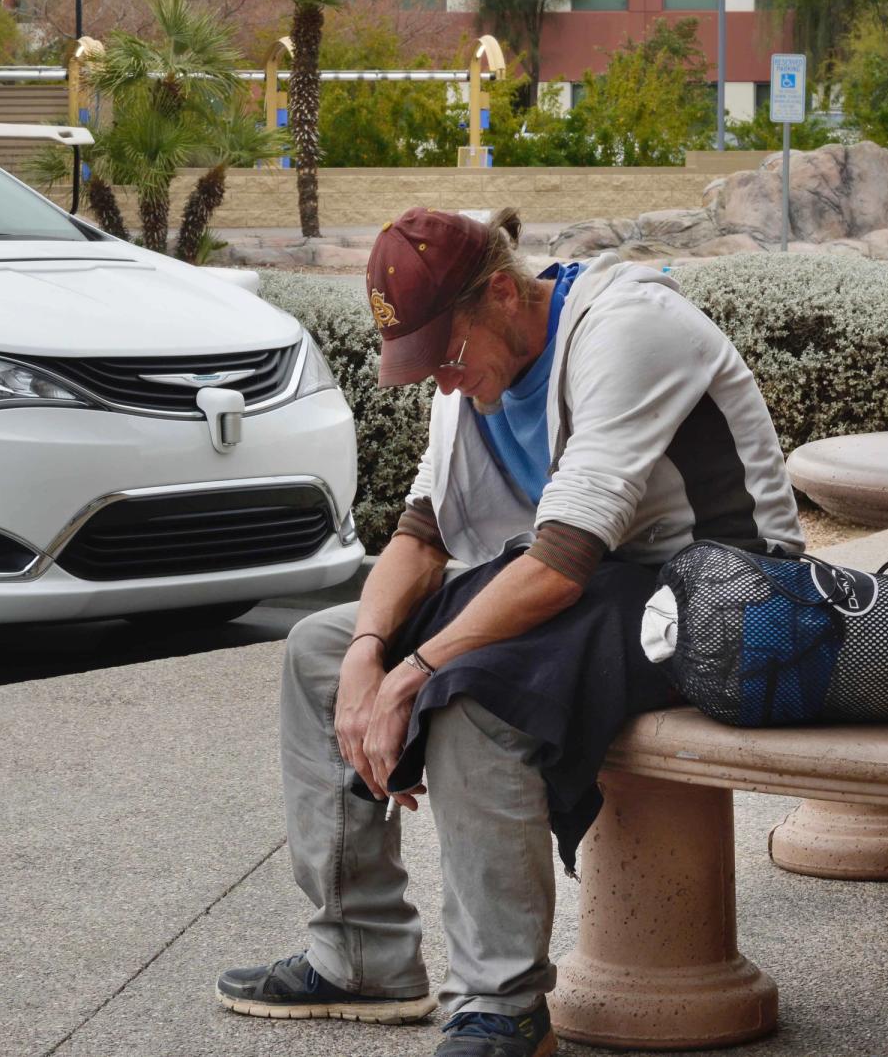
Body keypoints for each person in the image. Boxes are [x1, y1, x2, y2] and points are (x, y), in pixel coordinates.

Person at [216, 207, 801, 1057]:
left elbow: (562, 562)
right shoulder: (469, 377)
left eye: (446, 356)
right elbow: (421, 536)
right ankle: (361, 958)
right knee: (320, 650)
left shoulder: (628, 329)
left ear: (501, 292)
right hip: (592, 581)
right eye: (425, 366)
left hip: (719, 591)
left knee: (474, 689)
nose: (444, 382)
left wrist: (413, 674)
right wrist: (366, 658)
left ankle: (504, 1009)